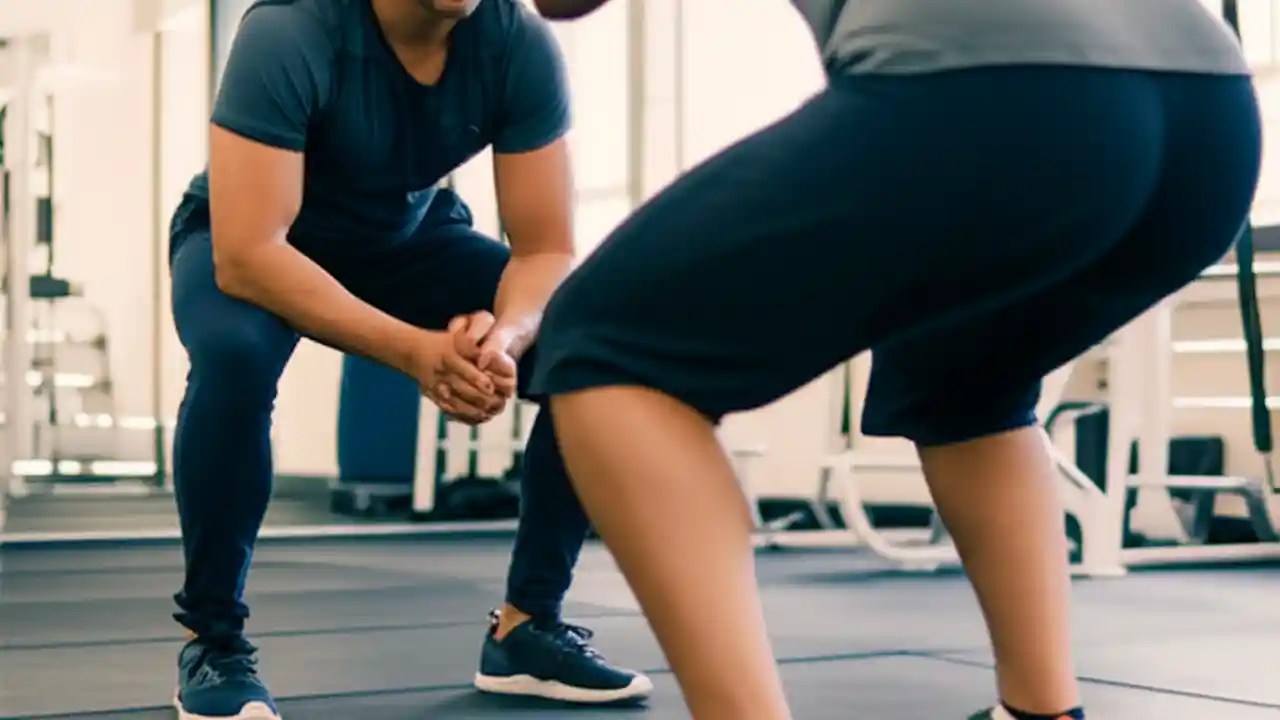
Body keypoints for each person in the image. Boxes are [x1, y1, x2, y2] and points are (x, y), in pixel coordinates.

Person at [524, 1, 1262, 719]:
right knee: (964, 378)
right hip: (1212, 118)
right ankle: (1041, 710)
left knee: (605, 340)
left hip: (1006, 83)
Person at [167, 1, 653, 718]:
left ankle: (527, 628)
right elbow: (249, 255)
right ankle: (211, 642)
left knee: (593, 346)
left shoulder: (517, 44)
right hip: (254, 242)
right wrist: (414, 351)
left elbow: (544, 248)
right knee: (235, 356)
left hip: (403, 240)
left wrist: (507, 338)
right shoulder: (290, 29)